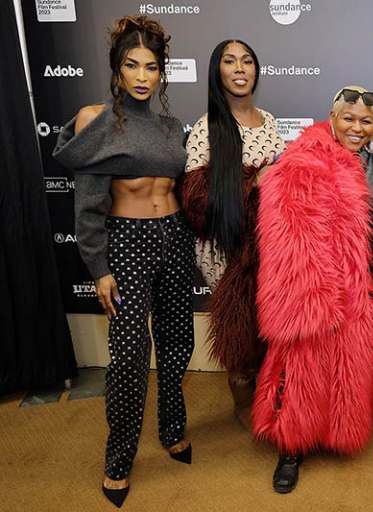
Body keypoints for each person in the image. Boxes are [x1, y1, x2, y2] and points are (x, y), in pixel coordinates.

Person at [53, 15, 193, 508]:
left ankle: (173, 428)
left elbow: (186, 189)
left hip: (175, 238)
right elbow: (87, 201)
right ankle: (119, 459)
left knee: (178, 342)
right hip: (126, 244)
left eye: (151, 67)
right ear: (116, 69)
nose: (141, 75)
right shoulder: (96, 119)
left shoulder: (174, 127)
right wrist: (98, 266)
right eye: (131, 65)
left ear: (161, 74)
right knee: (129, 357)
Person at [252, 86, 373, 493]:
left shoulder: (371, 160)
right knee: (301, 369)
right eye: (348, 118)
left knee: (344, 367)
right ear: (331, 117)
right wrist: (315, 294)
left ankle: (332, 431)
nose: (357, 127)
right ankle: (290, 449)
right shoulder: (305, 158)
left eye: (366, 121)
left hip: (357, 283)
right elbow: (288, 232)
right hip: (317, 288)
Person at [180, 40, 285, 429]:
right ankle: (244, 404)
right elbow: (195, 198)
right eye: (229, 61)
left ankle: (272, 395)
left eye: (247, 61)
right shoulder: (208, 126)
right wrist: (252, 179)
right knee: (238, 328)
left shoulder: (270, 120)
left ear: (256, 70)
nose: (240, 68)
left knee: (272, 323)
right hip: (225, 245)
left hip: (269, 242)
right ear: (217, 71)